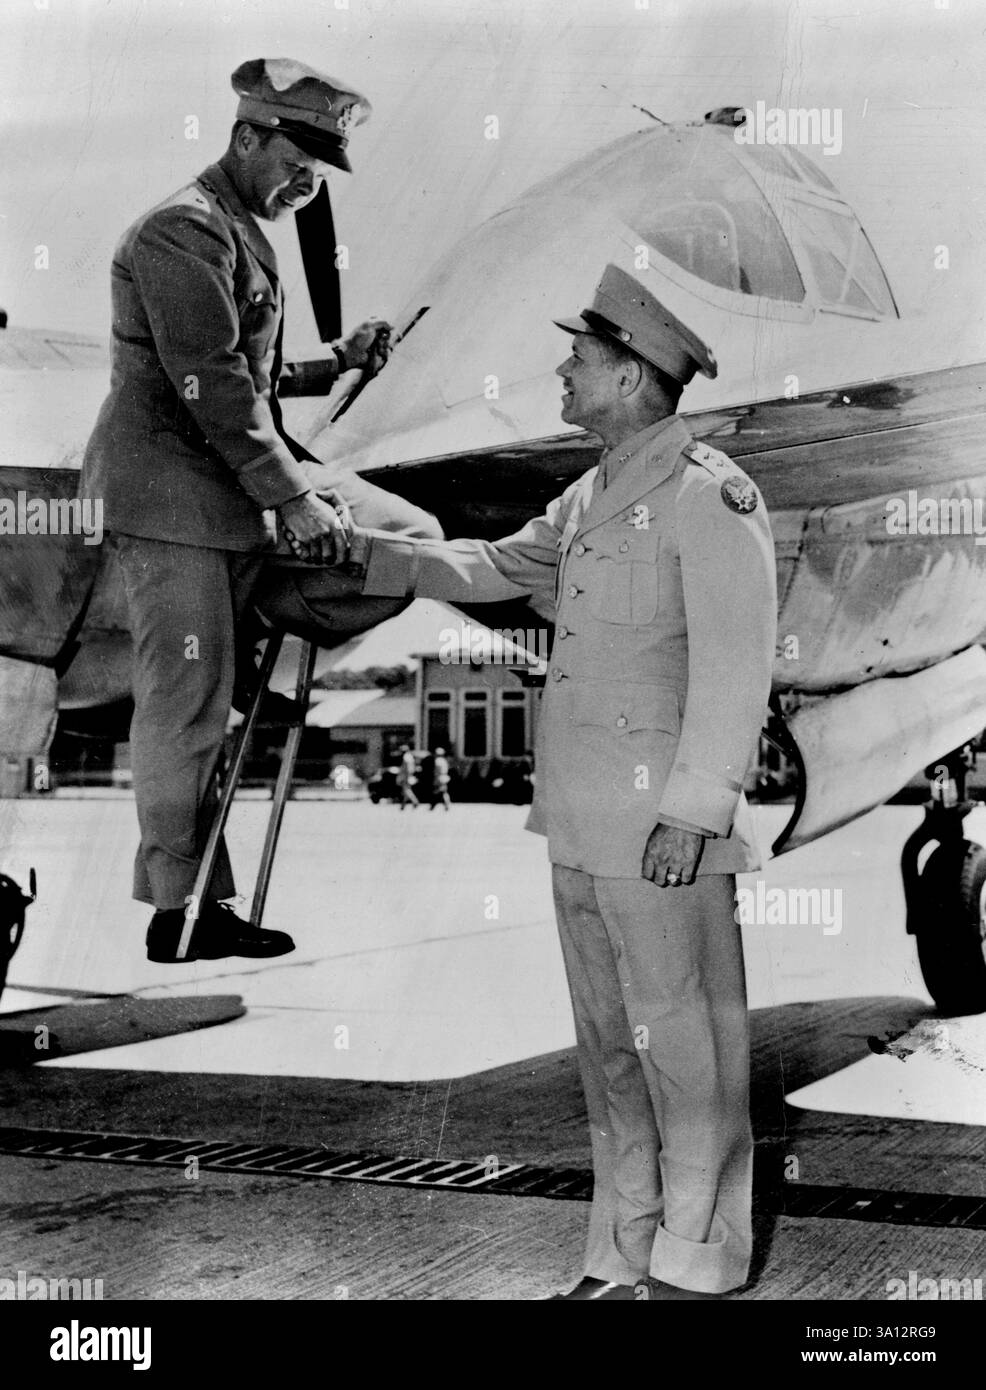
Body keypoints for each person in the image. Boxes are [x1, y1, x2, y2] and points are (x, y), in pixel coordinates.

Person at [338, 265, 777, 1300]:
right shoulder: (591, 494)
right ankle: (617, 1254)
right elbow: (493, 567)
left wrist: (693, 808)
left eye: (576, 361)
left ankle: (695, 1261)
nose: (559, 374)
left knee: (687, 1049)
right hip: (580, 824)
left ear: (627, 378)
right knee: (609, 1054)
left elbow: (734, 660)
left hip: (659, 830)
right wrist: (358, 549)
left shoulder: (710, 496)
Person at [80, 58, 440, 964]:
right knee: (186, 707)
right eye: (297, 158)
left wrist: (341, 363)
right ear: (246, 136)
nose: (309, 181)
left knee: (409, 540)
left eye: (322, 168)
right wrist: (295, 498)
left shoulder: (237, 231)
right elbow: (213, 388)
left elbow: (252, 372)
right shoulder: (180, 233)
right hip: (174, 509)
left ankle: (194, 898)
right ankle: (180, 913)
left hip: (230, 506)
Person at [395, 745, 420, 810]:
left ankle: (414, 801)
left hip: (406, 775)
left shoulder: (406, 757)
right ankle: (403, 805)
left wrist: (407, 776)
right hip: (409, 775)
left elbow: (407, 768)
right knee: (406, 790)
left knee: (406, 790)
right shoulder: (410, 756)